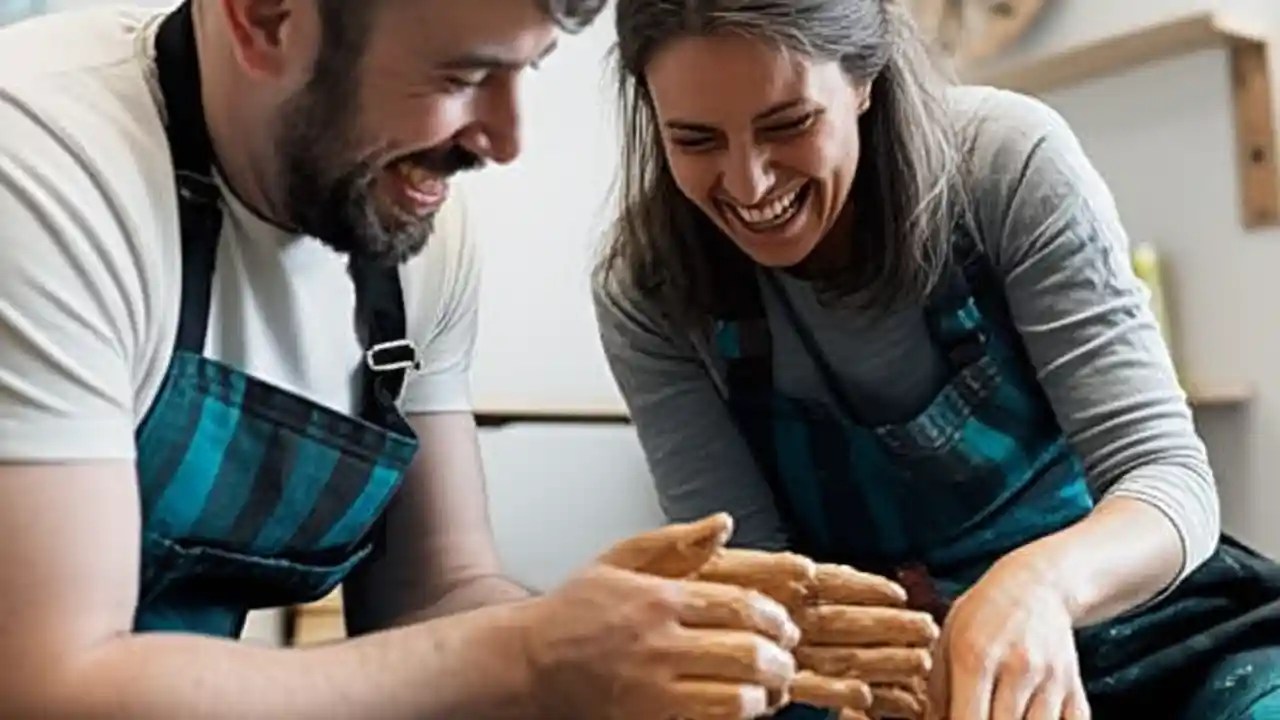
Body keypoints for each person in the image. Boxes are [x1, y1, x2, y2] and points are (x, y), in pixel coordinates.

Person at [0, 0, 871, 717]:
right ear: (264, 18)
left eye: (524, 71)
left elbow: (432, 598)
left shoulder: (410, 223)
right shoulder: (40, 170)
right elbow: (49, 686)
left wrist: (630, 640)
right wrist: (530, 653)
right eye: (461, 77)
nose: (504, 138)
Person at [593, 1, 1280, 718]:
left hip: (1124, 617)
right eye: (696, 141)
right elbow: (752, 590)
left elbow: (1169, 482)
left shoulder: (1004, 164)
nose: (749, 183)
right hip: (862, 677)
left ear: (864, 78)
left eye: (788, 124)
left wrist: (1035, 588)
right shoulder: (647, 282)